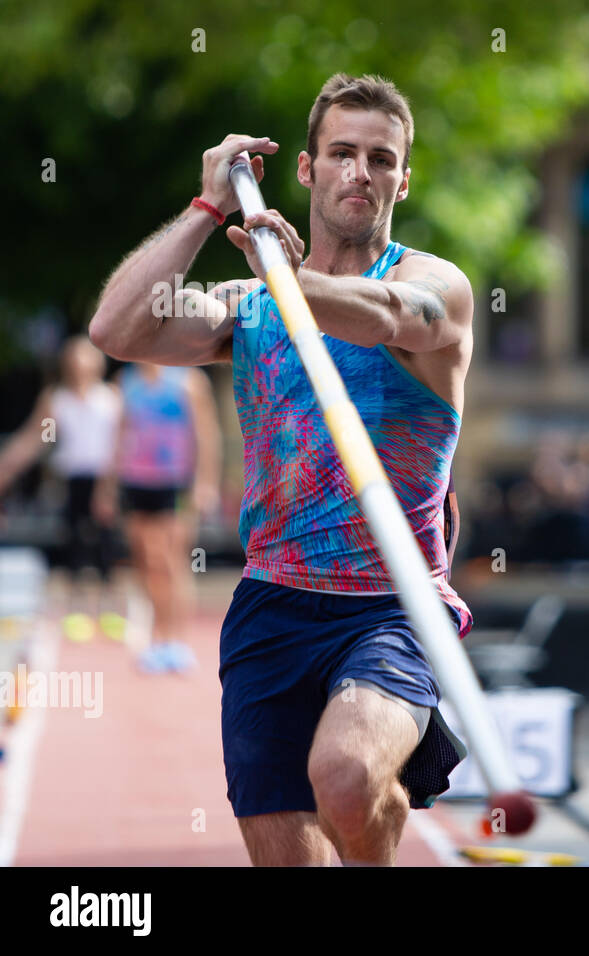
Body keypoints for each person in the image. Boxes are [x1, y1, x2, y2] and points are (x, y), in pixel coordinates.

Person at [88, 73, 474, 865]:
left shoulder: (432, 285)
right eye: (341, 153)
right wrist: (206, 210)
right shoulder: (249, 305)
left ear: (405, 176)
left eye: (380, 158)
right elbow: (117, 329)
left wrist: (292, 283)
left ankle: (380, 816)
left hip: (393, 605)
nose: (359, 173)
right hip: (273, 601)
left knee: (343, 776)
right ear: (306, 170)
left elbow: (387, 319)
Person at [93, 361, 221, 672]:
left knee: (172, 560)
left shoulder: (189, 381)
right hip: (136, 482)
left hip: (175, 483)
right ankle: (156, 638)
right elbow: (119, 436)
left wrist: (206, 483)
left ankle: (176, 640)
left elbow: (207, 434)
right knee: (146, 561)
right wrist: (107, 487)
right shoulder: (127, 381)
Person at [0, 336, 123, 641]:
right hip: (74, 479)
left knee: (106, 545)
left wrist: (110, 487)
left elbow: (122, 444)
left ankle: (110, 610)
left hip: (104, 477)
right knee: (75, 543)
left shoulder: (111, 397)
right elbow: (35, 438)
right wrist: (7, 466)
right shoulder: (57, 399)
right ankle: (78, 610)